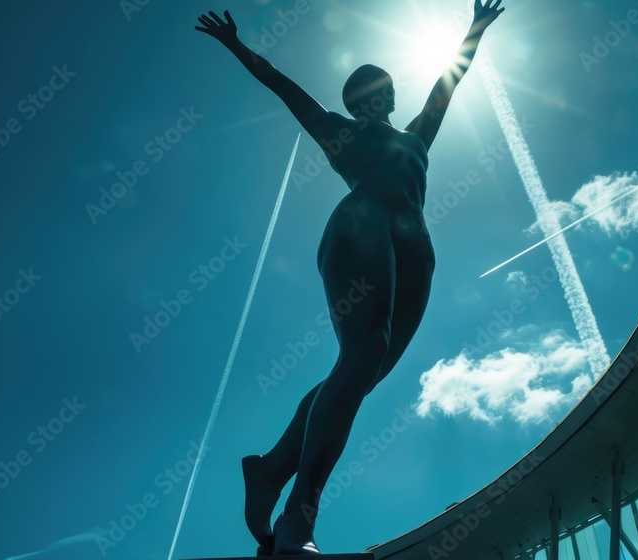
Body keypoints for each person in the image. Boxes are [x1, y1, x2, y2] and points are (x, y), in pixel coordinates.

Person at [195, 1, 504, 554]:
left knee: (364, 371)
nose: (379, 98)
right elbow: (284, 87)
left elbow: (447, 85)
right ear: (354, 104)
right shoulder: (339, 133)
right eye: (368, 93)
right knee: (360, 357)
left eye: (385, 91)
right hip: (361, 228)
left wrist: (474, 30)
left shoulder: (415, 139)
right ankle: (298, 519)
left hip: (416, 253)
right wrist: (236, 45)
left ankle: (270, 472)